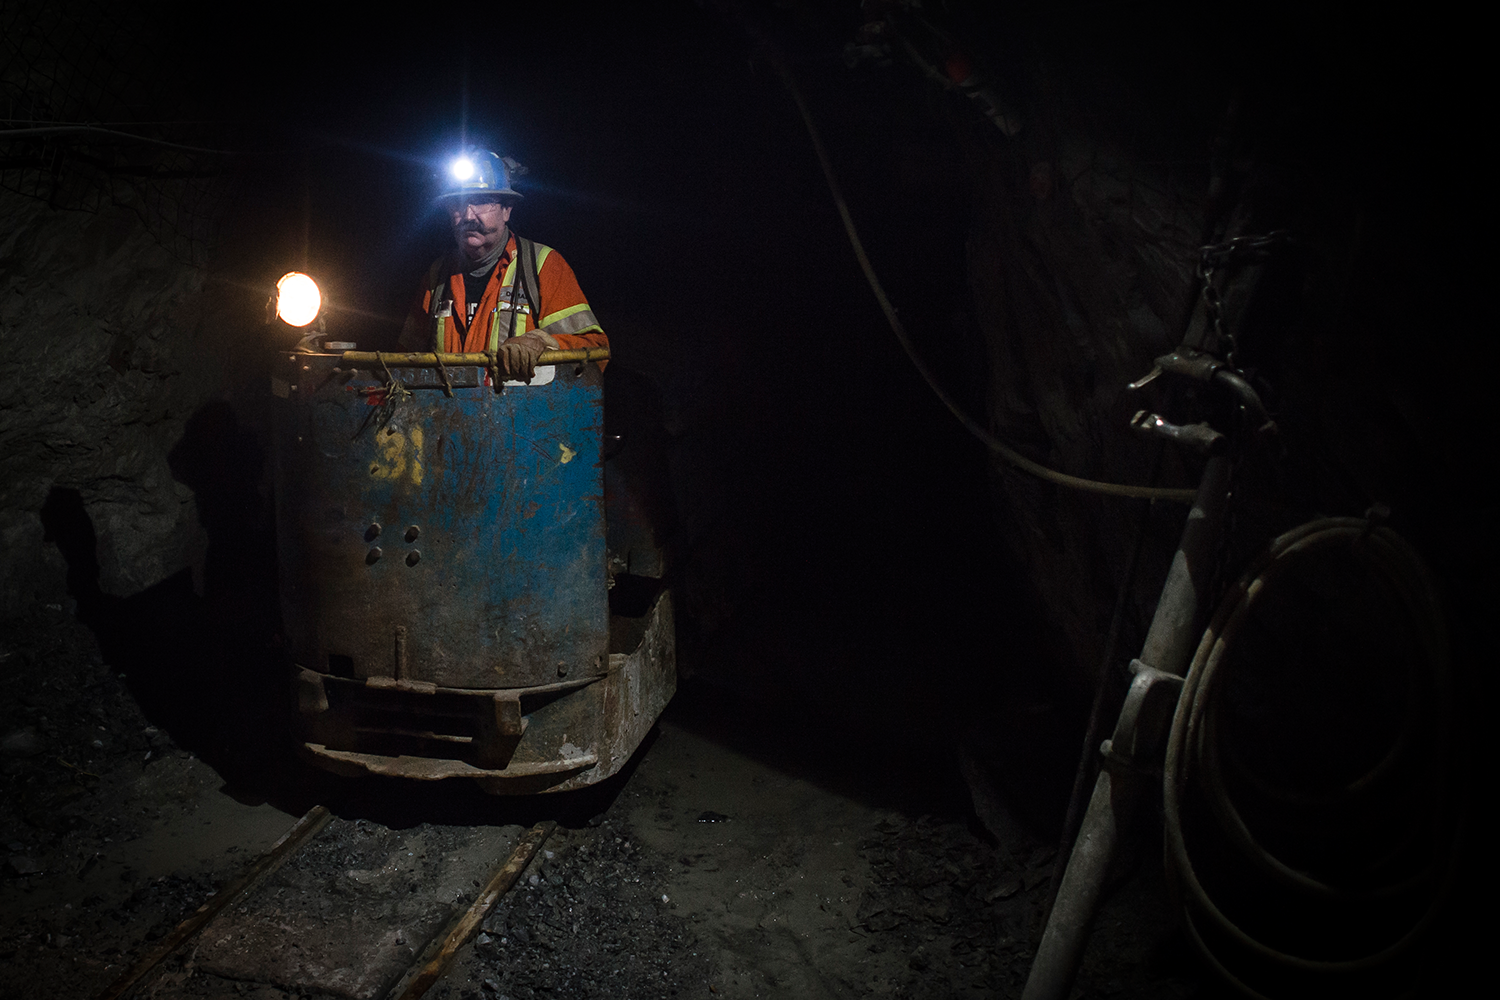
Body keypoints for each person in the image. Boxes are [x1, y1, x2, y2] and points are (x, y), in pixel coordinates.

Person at [399, 148, 606, 381]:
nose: (468, 215)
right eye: (458, 204)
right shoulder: (437, 276)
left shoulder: (542, 266)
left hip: (517, 415)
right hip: (450, 415)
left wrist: (544, 343)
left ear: (507, 209)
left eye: (480, 202)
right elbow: (407, 362)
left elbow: (594, 351)